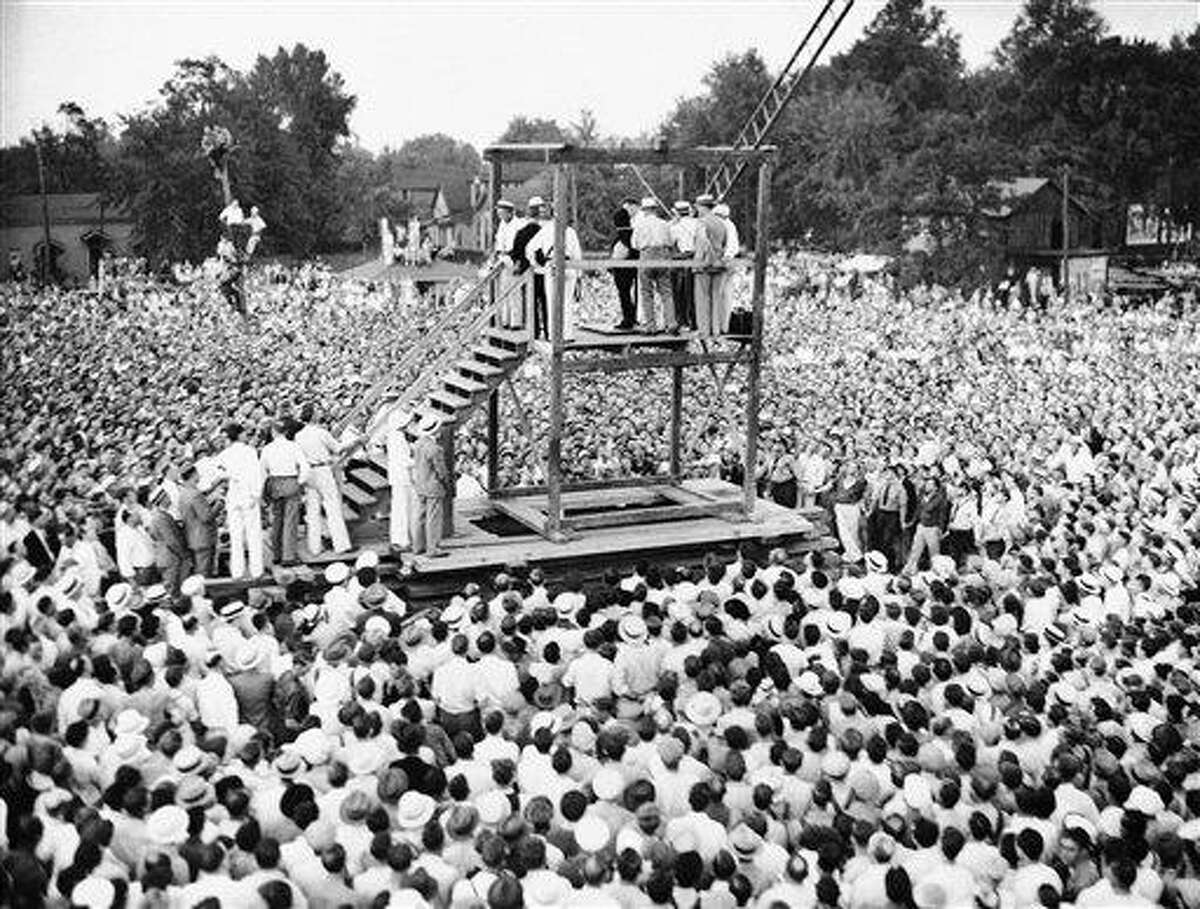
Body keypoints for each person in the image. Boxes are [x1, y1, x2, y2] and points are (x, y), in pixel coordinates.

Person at [295, 403, 352, 558]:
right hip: (322, 470)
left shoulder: (299, 435)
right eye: (317, 411)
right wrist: (356, 442)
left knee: (312, 510)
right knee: (332, 506)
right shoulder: (321, 432)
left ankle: (314, 547)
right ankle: (341, 545)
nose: (319, 413)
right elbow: (338, 448)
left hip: (308, 471)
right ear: (313, 415)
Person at [215, 421, 265, 579]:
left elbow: (218, 473)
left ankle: (237, 571)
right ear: (239, 434)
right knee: (253, 535)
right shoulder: (249, 451)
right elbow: (256, 475)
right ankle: (256, 570)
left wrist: (230, 475)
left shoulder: (225, 454)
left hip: (234, 495)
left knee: (236, 536)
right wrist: (256, 495)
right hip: (248, 494)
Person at [528, 200, 582, 343]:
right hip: (569, 266)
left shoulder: (546, 230)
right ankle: (567, 334)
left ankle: (553, 334)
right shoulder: (570, 231)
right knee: (567, 302)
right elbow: (577, 255)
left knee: (552, 302)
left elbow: (530, 248)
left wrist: (537, 265)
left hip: (551, 265)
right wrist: (579, 274)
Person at [260, 418, 309, 567]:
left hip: (274, 482)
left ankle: (277, 553)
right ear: (286, 432)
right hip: (290, 480)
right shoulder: (293, 446)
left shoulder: (267, 448)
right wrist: (300, 481)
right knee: (290, 520)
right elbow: (305, 467)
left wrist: (262, 490)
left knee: (276, 519)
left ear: (273, 432)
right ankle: (288, 556)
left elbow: (262, 471)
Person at [631, 197, 676, 333]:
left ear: (644, 210)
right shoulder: (664, 224)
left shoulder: (639, 225)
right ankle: (671, 323)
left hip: (646, 255)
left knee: (646, 292)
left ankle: (651, 325)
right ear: (655, 210)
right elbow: (671, 242)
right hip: (663, 256)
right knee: (666, 292)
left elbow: (634, 244)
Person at [411, 413, 450, 558]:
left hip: (421, 484)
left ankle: (418, 546)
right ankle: (433, 548)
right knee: (433, 518)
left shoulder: (418, 444)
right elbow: (441, 471)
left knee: (420, 517)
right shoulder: (435, 449)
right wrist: (446, 483)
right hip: (433, 486)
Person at [693, 194, 730, 337]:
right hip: (719, 264)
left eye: (698, 206)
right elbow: (725, 243)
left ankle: (704, 329)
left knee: (703, 298)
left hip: (705, 264)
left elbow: (702, 242)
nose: (697, 209)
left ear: (703, 207)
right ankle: (716, 329)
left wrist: (702, 260)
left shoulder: (701, 223)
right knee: (717, 298)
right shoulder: (721, 223)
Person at [511, 197, 546, 337]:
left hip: (527, 270)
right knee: (545, 301)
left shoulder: (521, 232)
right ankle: (548, 330)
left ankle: (533, 330)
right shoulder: (545, 231)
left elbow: (515, 253)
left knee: (530, 302)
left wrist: (520, 264)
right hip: (543, 269)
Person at [383, 408, 416, 553]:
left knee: (399, 508)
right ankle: (403, 540)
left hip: (398, 476)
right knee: (403, 509)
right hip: (402, 476)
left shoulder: (394, 436)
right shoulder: (398, 438)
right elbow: (405, 461)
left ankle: (399, 538)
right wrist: (418, 460)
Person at [177, 464, 218, 577]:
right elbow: (206, 517)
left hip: (193, 538)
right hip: (203, 538)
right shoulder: (195, 494)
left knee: (200, 571)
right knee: (204, 573)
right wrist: (219, 504)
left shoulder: (183, 493)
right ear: (194, 475)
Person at [147, 485, 189, 594]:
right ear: (162, 499)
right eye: (167, 496)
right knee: (174, 590)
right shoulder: (160, 518)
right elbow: (172, 541)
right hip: (171, 558)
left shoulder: (161, 515)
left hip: (170, 557)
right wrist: (184, 555)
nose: (170, 498)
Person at [669, 200, 697, 331]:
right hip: (696, 258)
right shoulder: (698, 223)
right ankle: (694, 321)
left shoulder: (676, 227)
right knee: (694, 292)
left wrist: (672, 223)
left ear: (677, 213)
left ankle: (683, 320)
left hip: (682, 259)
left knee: (680, 292)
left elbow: (670, 242)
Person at [610, 200, 638, 330]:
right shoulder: (632, 233)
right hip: (632, 267)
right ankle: (632, 317)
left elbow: (620, 252)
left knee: (624, 294)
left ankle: (628, 319)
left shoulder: (622, 236)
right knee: (630, 294)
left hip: (622, 269)